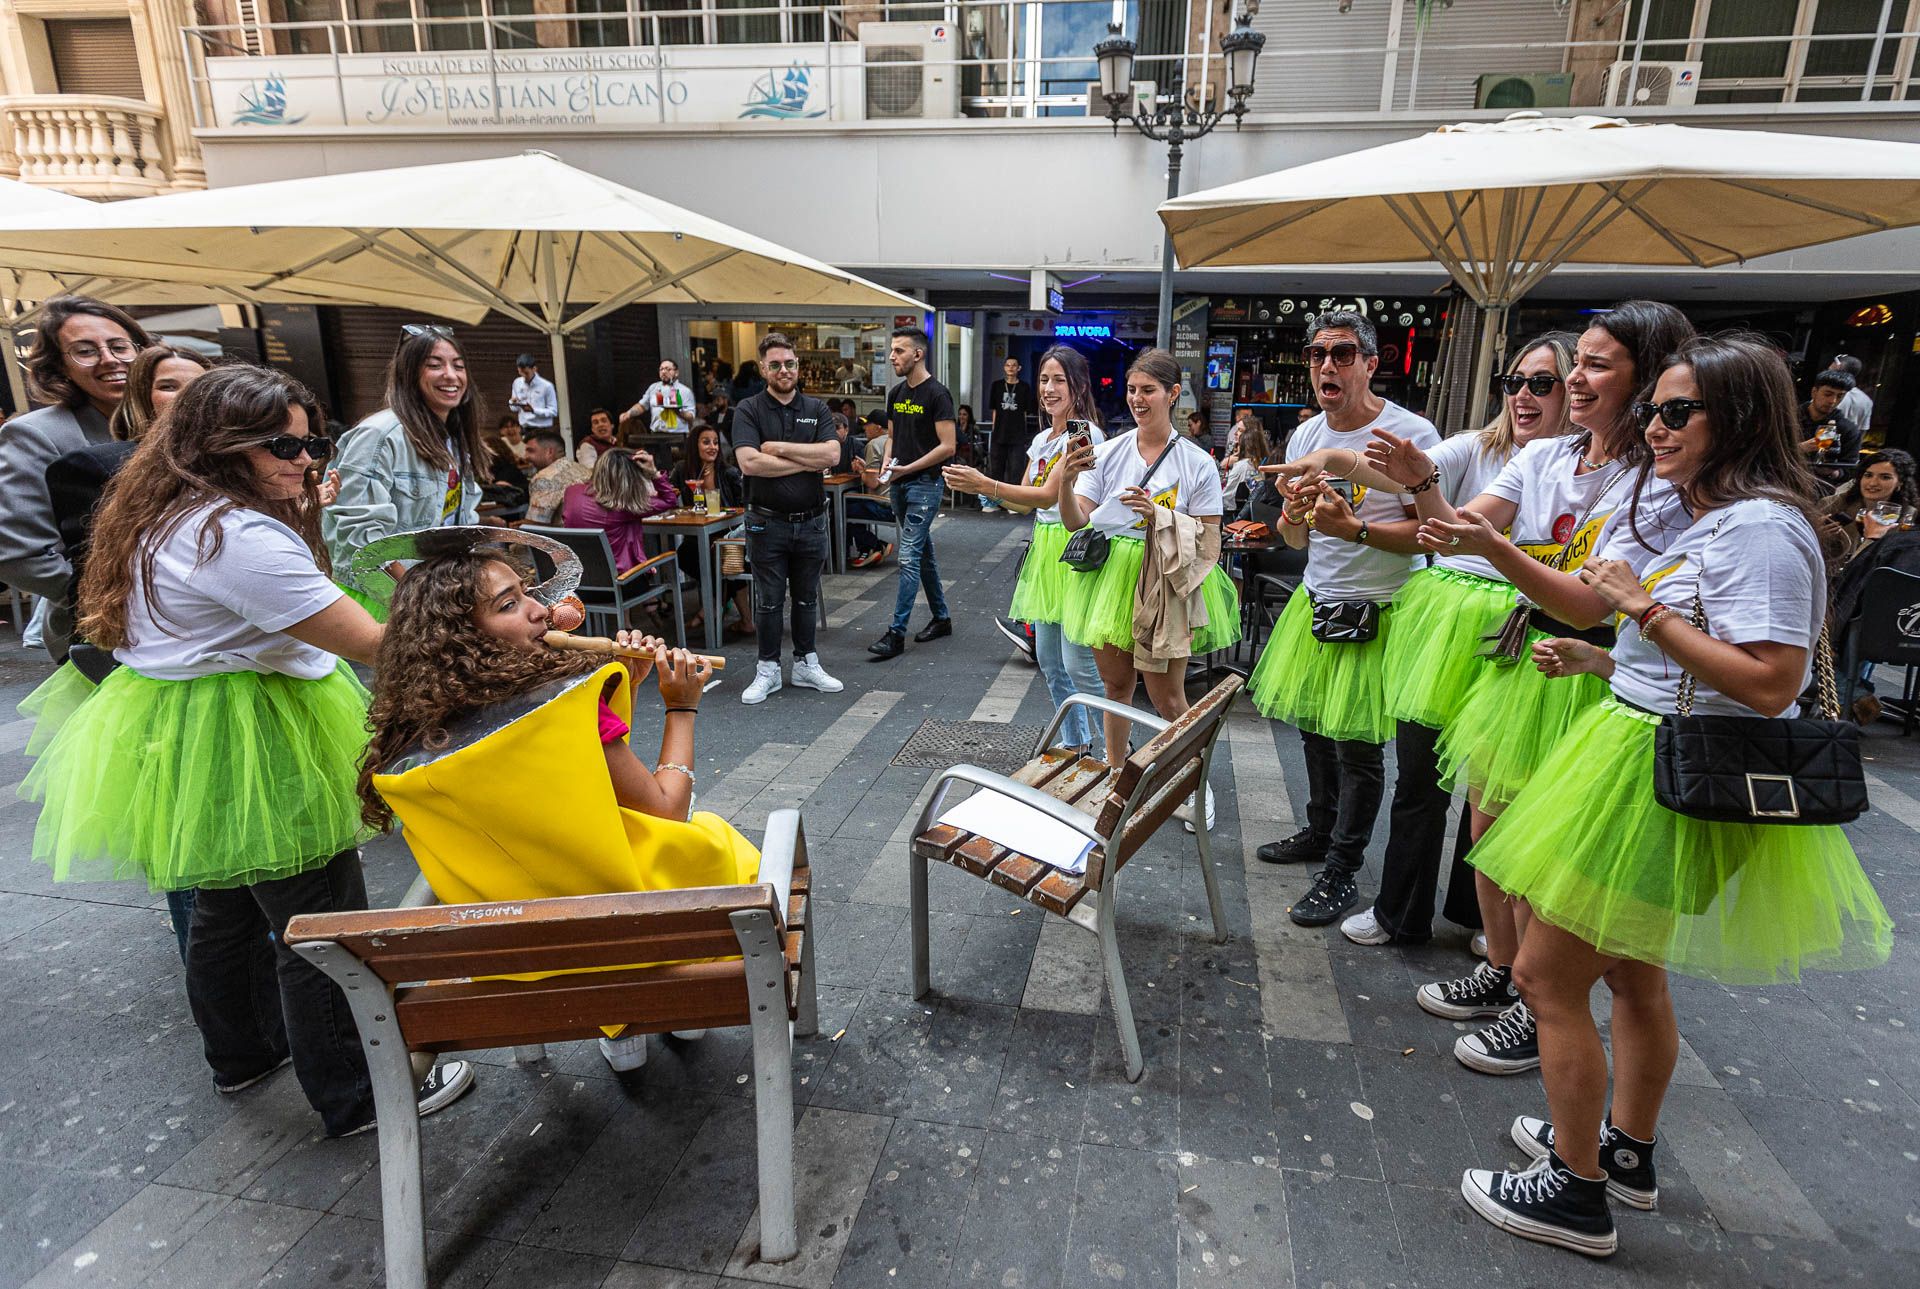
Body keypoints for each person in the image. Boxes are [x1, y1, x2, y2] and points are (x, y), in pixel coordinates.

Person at [1456, 333, 1892, 1258]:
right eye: (1654, 409)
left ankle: (1575, 1193)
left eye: (1678, 411)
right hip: (1636, 749)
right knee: (1632, 973)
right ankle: (1624, 1151)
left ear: (1738, 417)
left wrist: (1640, 609)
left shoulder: (1762, 528)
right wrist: (1606, 655)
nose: (1654, 426)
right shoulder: (1701, 511)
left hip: (1654, 779)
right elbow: (1654, 636)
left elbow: (1770, 681)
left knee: (1544, 977)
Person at [21, 364, 473, 1137]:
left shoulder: (173, 511)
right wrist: (494, 613)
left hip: (188, 723)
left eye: (312, 444)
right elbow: (380, 644)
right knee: (322, 922)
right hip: (257, 728)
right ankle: (357, 1092)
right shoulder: (239, 536)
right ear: (220, 446)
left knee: (226, 906)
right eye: (282, 446)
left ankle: (244, 1054)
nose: (305, 461)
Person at [1377, 301, 1696, 1077]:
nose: (1577, 379)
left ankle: (1536, 999)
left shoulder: (1657, 479)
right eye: (1574, 364)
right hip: (1526, 661)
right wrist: (1423, 484)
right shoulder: (1546, 455)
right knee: (1490, 836)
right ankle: (1504, 970)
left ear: (1647, 377)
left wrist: (1493, 547)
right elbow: (1457, 527)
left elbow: (1586, 605)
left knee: (1545, 858)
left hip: (1593, 671)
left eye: (1595, 365)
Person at [359, 549, 758, 1072]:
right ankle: (677, 1007)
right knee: (709, 835)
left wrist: (627, 686)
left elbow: (550, 810)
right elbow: (665, 811)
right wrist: (682, 707)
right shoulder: (566, 706)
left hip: (520, 957)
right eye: (508, 605)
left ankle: (623, 1039)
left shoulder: (411, 748)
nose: (540, 610)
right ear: (465, 636)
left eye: (526, 594)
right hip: (634, 930)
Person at [1277, 333, 1580, 950]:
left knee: (1497, 787)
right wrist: (1334, 462)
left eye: (1541, 383)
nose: (1523, 395)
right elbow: (1405, 485)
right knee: (1420, 776)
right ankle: (1400, 912)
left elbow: (1437, 523)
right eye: (1514, 382)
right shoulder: (1481, 447)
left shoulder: (1583, 467)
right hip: (1441, 620)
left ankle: (1481, 920)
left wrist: (1360, 523)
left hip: (1522, 625)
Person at [1245, 310, 1442, 926]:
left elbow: (1430, 533)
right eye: (1317, 354)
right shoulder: (1306, 435)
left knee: (1358, 749)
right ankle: (1319, 830)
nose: (1326, 364)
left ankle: (1342, 870)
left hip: (1381, 609)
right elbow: (1296, 538)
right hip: (1318, 601)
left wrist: (1354, 528)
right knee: (1314, 729)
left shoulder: (1409, 435)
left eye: (1343, 353)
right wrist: (1292, 512)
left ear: (1371, 364)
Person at [1057, 348, 1241, 826]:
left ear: (1173, 394)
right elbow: (1077, 522)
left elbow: (1211, 540)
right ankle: (1117, 776)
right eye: (1132, 390)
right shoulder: (1109, 452)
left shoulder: (1197, 462)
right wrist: (1066, 482)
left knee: (1168, 697)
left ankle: (1192, 784)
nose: (1138, 399)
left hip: (1167, 579)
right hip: (1111, 577)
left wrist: (1157, 515)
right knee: (1116, 687)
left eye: (1149, 390)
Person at [945, 345, 1108, 754]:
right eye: (1044, 380)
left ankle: (1116, 752)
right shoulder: (1041, 439)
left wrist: (985, 483)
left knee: (1079, 664)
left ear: (1078, 386)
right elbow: (1023, 502)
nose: (1049, 389)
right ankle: (1077, 743)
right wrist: (983, 490)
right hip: (1045, 550)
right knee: (1050, 661)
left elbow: (1049, 495)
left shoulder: (1083, 435)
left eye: (1059, 380)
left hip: (1073, 549)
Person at [0, 295, 151, 659]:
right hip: (109, 634)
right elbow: (18, 553)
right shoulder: (35, 434)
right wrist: (114, 601)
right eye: (85, 351)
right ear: (59, 367)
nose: (109, 359)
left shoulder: (170, 422)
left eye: (119, 347)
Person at [323, 324, 485, 620]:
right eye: (435, 365)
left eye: (458, 365)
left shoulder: (454, 440)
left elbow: (460, 525)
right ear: (409, 373)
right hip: (380, 600)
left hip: (432, 595)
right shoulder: (379, 435)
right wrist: (412, 596)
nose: (451, 375)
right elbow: (363, 540)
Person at [731, 331, 843, 703]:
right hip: (766, 522)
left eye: (790, 363)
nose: (784, 370)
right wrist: (807, 460)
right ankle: (768, 669)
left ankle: (806, 663)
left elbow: (832, 456)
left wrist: (778, 449)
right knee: (768, 600)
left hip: (811, 521)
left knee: (807, 598)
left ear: (798, 366)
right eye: (776, 364)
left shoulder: (816, 408)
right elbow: (749, 463)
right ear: (764, 369)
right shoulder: (748, 410)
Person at [868, 327, 956, 660]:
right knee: (922, 553)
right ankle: (942, 618)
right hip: (901, 484)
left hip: (925, 486)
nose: (892, 357)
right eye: (892, 350)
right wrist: (888, 462)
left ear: (917, 354)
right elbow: (893, 436)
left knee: (907, 556)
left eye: (899, 351)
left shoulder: (938, 395)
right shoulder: (896, 393)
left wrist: (909, 468)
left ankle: (896, 634)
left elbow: (948, 446)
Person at [671, 425, 752, 635]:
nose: (713, 447)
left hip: (731, 534)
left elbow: (745, 505)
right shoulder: (682, 470)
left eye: (715, 442)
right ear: (694, 445)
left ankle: (728, 612)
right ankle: (719, 600)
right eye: (706, 442)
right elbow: (669, 493)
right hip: (699, 535)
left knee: (726, 556)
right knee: (684, 554)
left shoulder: (728, 472)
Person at [560, 447, 678, 570]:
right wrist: (653, 473)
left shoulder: (571, 492)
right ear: (631, 478)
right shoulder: (624, 506)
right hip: (622, 577)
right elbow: (669, 500)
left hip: (580, 576)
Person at [1819, 449, 1918, 565]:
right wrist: (1818, 535)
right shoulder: (1831, 504)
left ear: (1900, 482)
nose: (1873, 483)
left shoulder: (1908, 514)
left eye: (1885, 477)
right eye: (1868, 475)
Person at [985, 356, 1035, 507]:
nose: (1011, 368)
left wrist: (1023, 432)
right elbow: (994, 410)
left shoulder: (1024, 387)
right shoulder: (997, 386)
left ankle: (1012, 503)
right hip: (999, 433)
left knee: (1016, 469)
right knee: (996, 469)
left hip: (1017, 434)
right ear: (1004, 367)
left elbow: (1025, 412)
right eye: (1008, 365)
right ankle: (994, 502)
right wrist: (994, 430)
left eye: (1014, 365)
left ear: (1019, 368)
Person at [1798, 369, 1862, 485]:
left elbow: (1851, 469)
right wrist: (1800, 448)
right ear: (1814, 392)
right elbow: (1767, 451)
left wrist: (1833, 472)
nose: (1832, 401)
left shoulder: (1847, 429)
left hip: (1820, 487)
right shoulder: (1788, 418)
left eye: (1840, 396)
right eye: (1828, 394)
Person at [847, 424, 895, 570]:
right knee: (855, 504)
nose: (864, 429)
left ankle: (874, 545)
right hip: (900, 504)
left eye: (868, 425)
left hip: (884, 505)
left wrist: (861, 472)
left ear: (877, 427)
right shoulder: (899, 440)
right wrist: (866, 468)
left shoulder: (874, 444)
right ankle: (872, 547)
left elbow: (872, 483)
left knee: (844, 509)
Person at [521, 428, 591, 526]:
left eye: (530, 451)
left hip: (563, 534)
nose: (525, 456)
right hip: (593, 532)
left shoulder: (544, 478)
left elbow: (535, 525)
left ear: (549, 452)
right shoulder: (583, 470)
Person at [630, 358, 695, 436]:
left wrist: (678, 412)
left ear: (676, 373)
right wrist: (628, 413)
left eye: (668, 369)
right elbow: (642, 405)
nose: (664, 372)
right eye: (661, 369)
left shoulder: (685, 391)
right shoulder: (654, 388)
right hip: (656, 434)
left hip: (677, 435)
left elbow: (691, 416)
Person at [1220, 421, 1271, 507]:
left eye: (1240, 430)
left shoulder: (1243, 466)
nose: (1235, 434)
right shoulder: (1264, 462)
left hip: (1232, 509)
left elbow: (1226, 497)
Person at [507, 353, 557, 433]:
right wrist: (512, 402)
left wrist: (533, 410)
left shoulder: (547, 386)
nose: (524, 376)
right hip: (524, 428)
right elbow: (515, 409)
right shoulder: (517, 383)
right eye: (521, 373)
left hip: (542, 429)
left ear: (534, 369)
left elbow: (553, 411)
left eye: (526, 373)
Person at [1830, 353, 1873, 431]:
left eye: (1830, 367)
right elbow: (1863, 430)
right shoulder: (1867, 401)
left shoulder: (1827, 394)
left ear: (1838, 367)